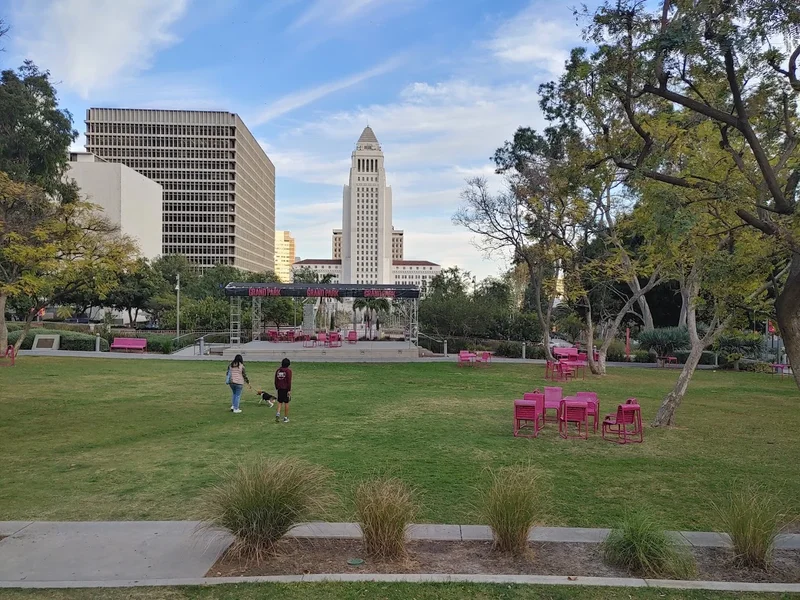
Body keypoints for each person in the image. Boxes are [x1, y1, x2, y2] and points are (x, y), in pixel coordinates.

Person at [274, 357, 292, 423]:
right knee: (286, 402)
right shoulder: (288, 371)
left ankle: (278, 413)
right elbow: (289, 381)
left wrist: (276, 387)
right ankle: (285, 417)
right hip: (285, 389)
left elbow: (275, 380)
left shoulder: (278, 370)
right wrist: (289, 390)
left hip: (279, 389)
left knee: (280, 402)